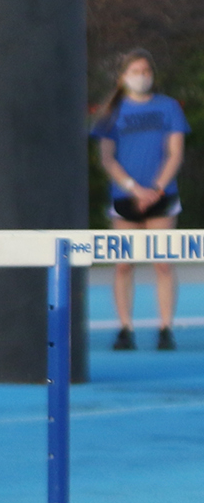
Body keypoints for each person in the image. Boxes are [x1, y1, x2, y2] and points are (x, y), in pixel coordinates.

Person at [92, 48, 187, 351]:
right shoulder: (111, 112)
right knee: (123, 264)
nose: (142, 76)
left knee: (163, 263)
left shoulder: (169, 107)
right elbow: (107, 159)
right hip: (125, 197)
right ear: (123, 77)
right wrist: (135, 189)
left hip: (162, 196)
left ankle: (165, 328)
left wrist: (156, 189)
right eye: (135, 71)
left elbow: (175, 152)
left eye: (146, 71)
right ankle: (125, 327)